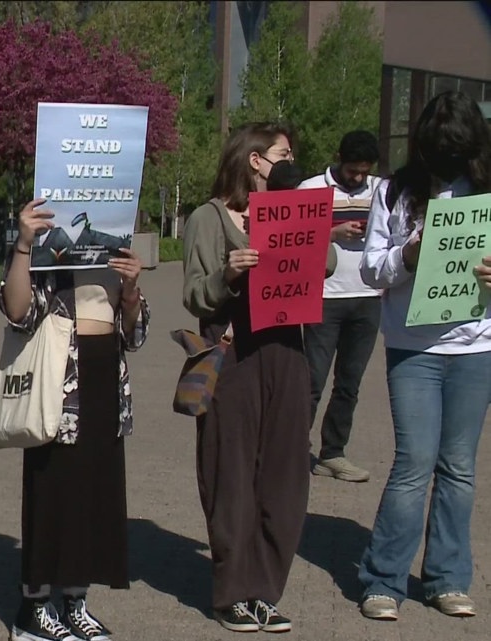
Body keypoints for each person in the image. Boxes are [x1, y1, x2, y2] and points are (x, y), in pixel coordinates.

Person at [182, 122, 336, 633]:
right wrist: (230, 272)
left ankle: (265, 590)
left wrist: (307, 223)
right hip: (234, 352)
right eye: (283, 155)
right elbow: (195, 293)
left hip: (287, 350)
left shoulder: (292, 208)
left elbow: (327, 262)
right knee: (230, 473)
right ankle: (231, 591)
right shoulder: (208, 218)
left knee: (285, 475)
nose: (291, 163)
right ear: (255, 160)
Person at [356, 90, 491, 621]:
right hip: (414, 348)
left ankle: (448, 578)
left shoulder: (487, 191)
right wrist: (408, 254)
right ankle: (383, 579)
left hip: (476, 346)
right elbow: (371, 268)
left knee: (459, 467)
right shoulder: (394, 192)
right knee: (414, 462)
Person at [0, 199, 150, 641]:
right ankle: (33, 608)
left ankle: (75, 601)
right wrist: (24, 244)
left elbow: (134, 335)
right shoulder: (48, 243)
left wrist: (131, 290)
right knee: (51, 493)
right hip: (58, 384)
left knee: (94, 495)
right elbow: (17, 312)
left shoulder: (113, 247)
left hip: (105, 379)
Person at [299, 131, 382, 483]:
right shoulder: (311, 188)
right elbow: (292, 236)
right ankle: (291, 449)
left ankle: (333, 453)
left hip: (368, 297)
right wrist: (331, 233)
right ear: (338, 159)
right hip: (324, 296)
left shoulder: (382, 190)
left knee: (349, 383)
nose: (358, 177)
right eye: (352, 171)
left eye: (364, 171)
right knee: (312, 380)